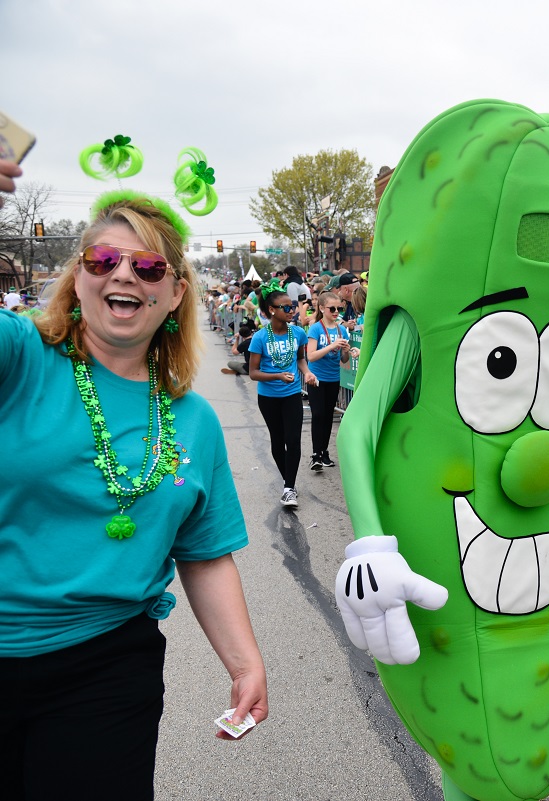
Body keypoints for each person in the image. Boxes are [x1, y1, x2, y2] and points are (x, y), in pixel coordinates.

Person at [0, 192, 267, 797]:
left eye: (147, 266)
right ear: (78, 278)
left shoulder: (193, 420)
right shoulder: (20, 356)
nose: (122, 273)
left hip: (107, 667)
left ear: (174, 295)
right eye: (101, 261)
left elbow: (203, 553)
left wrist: (246, 662)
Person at [248, 286, 318, 508]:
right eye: (286, 307)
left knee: (293, 440)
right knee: (278, 444)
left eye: (293, 306)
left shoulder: (298, 333)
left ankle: (289, 488)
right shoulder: (259, 338)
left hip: (291, 395)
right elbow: (253, 373)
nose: (292, 311)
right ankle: (289, 482)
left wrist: (307, 373)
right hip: (268, 398)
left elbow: (301, 360)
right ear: (271, 310)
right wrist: (278, 375)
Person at [306, 291, 351, 472]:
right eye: (332, 308)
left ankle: (324, 453)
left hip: (334, 378)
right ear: (322, 308)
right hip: (317, 378)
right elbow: (311, 356)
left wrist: (347, 350)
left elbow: (344, 360)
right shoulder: (316, 328)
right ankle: (316, 454)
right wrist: (331, 345)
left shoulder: (341, 329)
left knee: (327, 416)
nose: (336, 312)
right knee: (318, 415)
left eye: (339, 308)